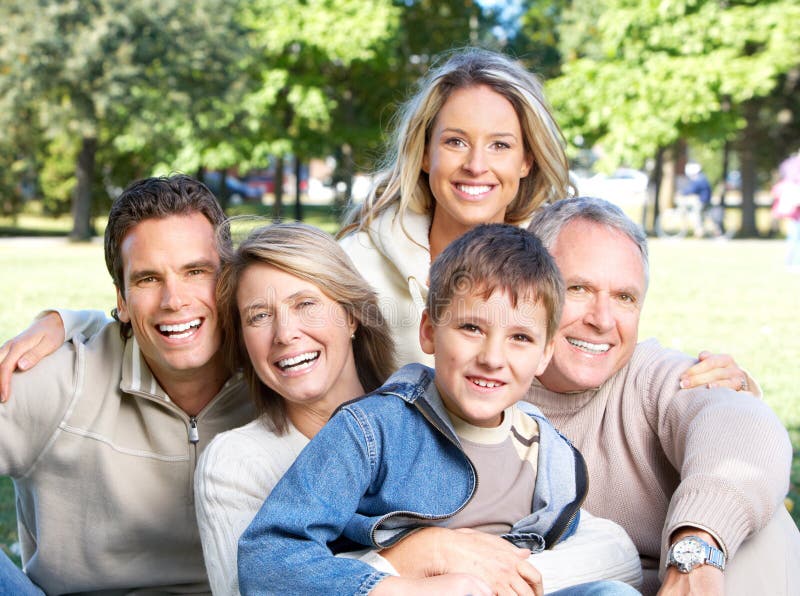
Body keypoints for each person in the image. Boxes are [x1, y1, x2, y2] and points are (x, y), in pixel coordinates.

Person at [196, 222, 640, 596]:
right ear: (428, 331)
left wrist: (505, 579)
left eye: (520, 338)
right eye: (470, 328)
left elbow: (600, 548)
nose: (492, 356)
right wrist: (416, 580)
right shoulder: (371, 432)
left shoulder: (545, 447)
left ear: (545, 353)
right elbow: (268, 558)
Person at [335, 47, 753, 392]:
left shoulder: (558, 253)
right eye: (456, 141)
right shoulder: (357, 265)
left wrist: (724, 385)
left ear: (526, 160)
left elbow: (609, 351)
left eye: (500, 145)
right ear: (426, 153)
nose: (476, 165)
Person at [524, 196, 799, 595]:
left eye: (624, 298)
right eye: (579, 288)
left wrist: (698, 543)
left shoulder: (651, 376)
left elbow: (742, 428)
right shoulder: (483, 391)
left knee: (762, 532)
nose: (602, 320)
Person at [0, 175, 254, 593]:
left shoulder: (273, 379)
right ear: (121, 299)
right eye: (148, 279)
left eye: (196, 271)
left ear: (228, 279)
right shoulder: (62, 379)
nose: (174, 300)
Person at [769, 154, 800, 271]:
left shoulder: (789, 168)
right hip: (795, 213)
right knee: (795, 237)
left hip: (794, 212)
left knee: (794, 237)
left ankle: (791, 262)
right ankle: (793, 263)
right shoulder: (792, 183)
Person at [680, 162, 720, 237]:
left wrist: (682, 193)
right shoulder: (702, 177)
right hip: (705, 200)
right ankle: (714, 231)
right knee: (706, 217)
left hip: (703, 201)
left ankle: (699, 230)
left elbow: (692, 189)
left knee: (696, 213)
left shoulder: (699, 179)